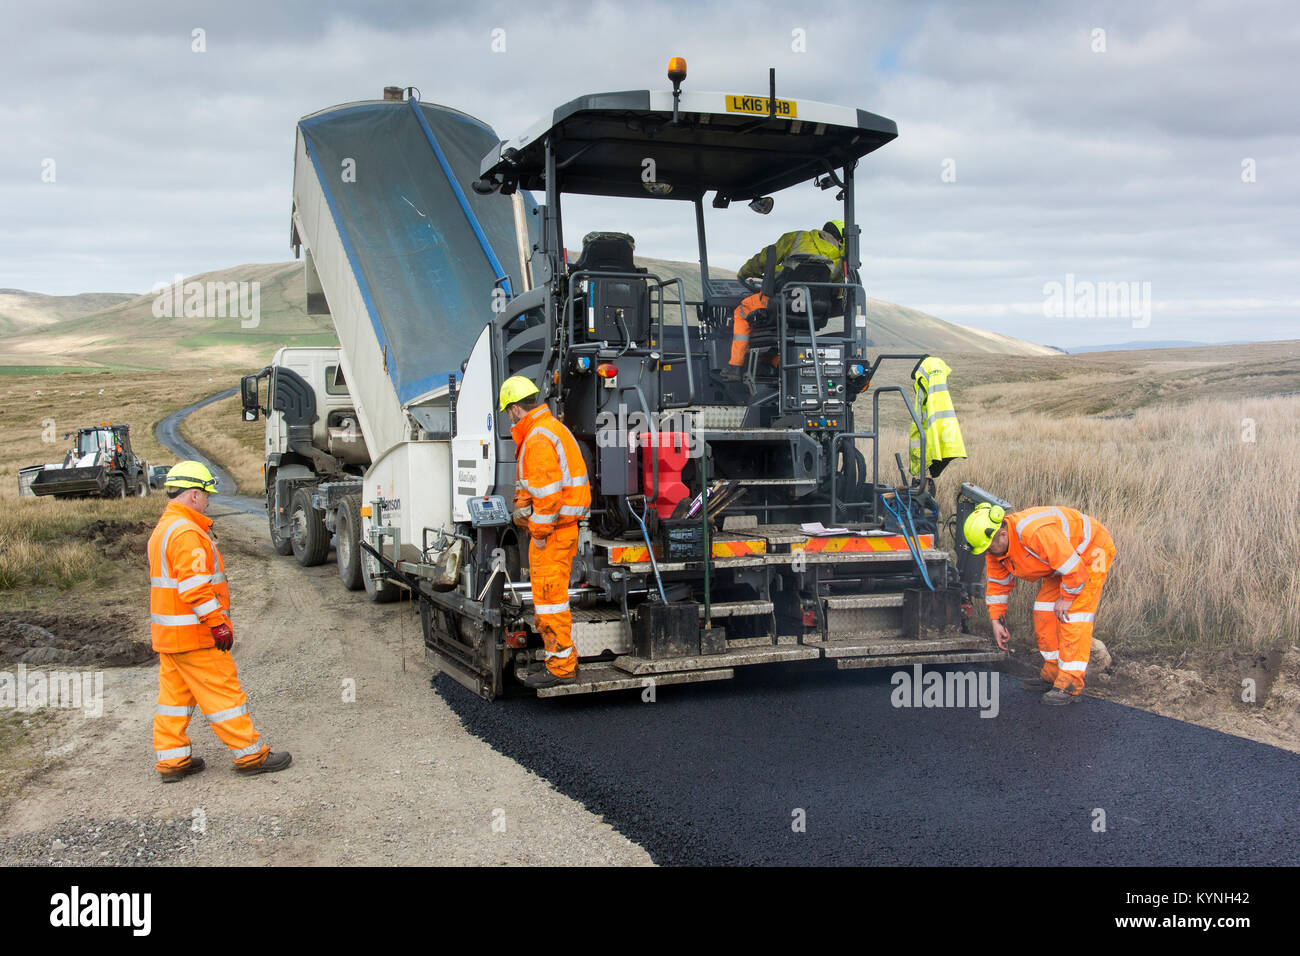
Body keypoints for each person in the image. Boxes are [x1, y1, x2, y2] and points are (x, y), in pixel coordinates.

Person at [148, 461, 291, 781]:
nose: (209, 500)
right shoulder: (186, 532)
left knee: (174, 700)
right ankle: (250, 754)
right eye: (206, 494)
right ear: (194, 495)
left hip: (171, 636)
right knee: (223, 693)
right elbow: (194, 586)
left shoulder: (164, 528)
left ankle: (173, 761)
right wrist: (217, 623)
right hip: (195, 635)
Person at [965, 503, 1116, 705]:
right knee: (1044, 612)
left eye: (989, 547)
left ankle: (1070, 684)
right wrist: (996, 620)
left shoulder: (1033, 533)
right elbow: (998, 585)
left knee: (1073, 615)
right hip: (1064, 563)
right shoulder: (996, 552)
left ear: (1001, 534)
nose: (988, 553)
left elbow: (1076, 572)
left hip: (1091, 552)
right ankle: (1054, 674)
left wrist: (1067, 598)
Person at [499, 376, 591, 689]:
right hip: (562, 530)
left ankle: (562, 668)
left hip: (552, 534)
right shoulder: (551, 428)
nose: (508, 417)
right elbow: (534, 489)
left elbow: (548, 498)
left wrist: (537, 532)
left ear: (514, 409)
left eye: (507, 412)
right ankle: (559, 661)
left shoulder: (537, 438)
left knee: (550, 600)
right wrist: (522, 511)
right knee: (552, 598)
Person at [725, 220, 845, 379]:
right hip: (813, 312)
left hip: (779, 303)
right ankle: (772, 362)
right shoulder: (841, 259)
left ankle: (735, 366)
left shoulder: (798, 237)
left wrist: (744, 273)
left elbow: (764, 259)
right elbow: (837, 291)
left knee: (741, 311)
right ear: (842, 239)